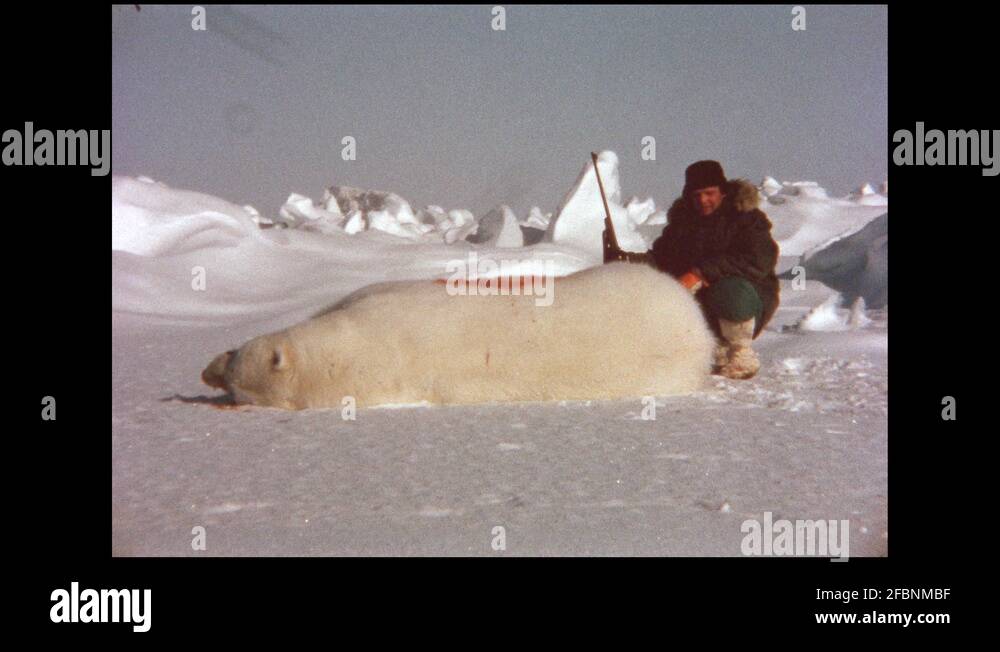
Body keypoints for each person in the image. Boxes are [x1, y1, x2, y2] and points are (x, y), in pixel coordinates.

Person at [612, 160, 780, 379]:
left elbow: (759, 260)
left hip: (747, 299)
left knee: (729, 290)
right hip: (704, 300)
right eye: (696, 195)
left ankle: (740, 352)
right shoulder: (684, 223)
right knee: (665, 292)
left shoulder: (747, 219)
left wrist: (700, 273)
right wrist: (626, 260)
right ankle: (712, 347)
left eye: (709, 193)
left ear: (723, 192)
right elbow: (662, 260)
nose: (703, 200)